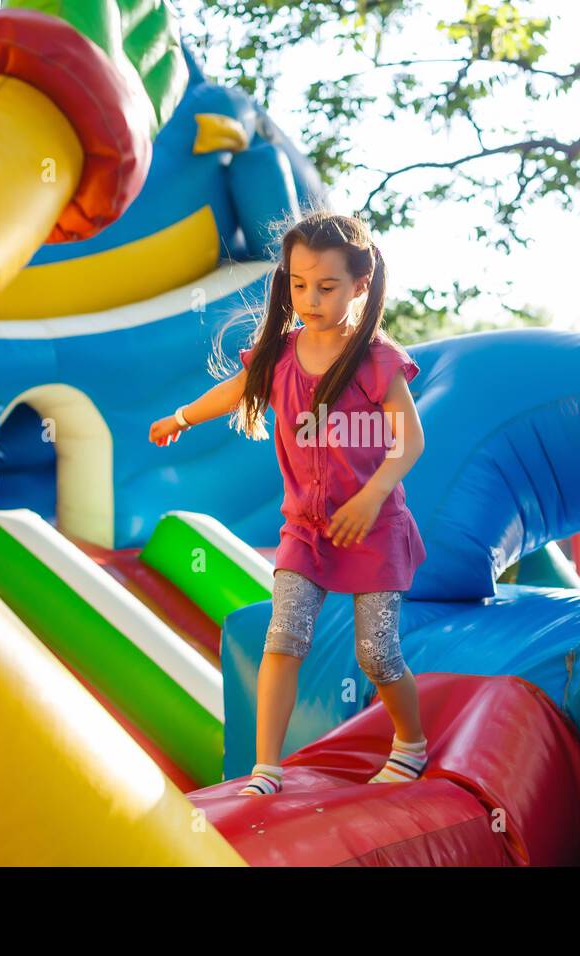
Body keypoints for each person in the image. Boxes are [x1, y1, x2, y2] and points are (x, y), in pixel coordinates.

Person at [148, 210, 428, 795]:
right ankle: (266, 768)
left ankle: (411, 742)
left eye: (326, 287)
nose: (310, 298)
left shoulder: (375, 360)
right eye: (299, 285)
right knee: (283, 637)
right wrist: (180, 418)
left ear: (359, 285)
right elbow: (234, 391)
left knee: (376, 653)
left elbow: (412, 440)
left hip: (372, 527)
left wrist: (374, 497)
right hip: (305, 528)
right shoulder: (281, 355)